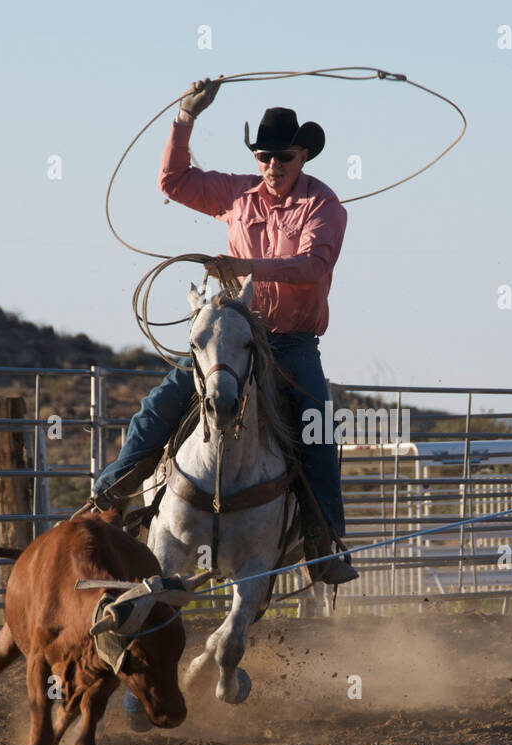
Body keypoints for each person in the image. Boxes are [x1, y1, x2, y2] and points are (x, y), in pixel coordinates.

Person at [93, 77, 357, 587]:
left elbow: (312, 265)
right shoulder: (239, 194)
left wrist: (244, 263)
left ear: (303, 154)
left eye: (282, 157)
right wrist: (185, 117)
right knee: (162, 403)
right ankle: (113, 491)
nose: (272, 167)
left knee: (317, 428)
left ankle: (324, 541)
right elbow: (174, 183)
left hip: (291, 342)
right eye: (264, 157)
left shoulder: (323, 206)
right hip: (238, 330)